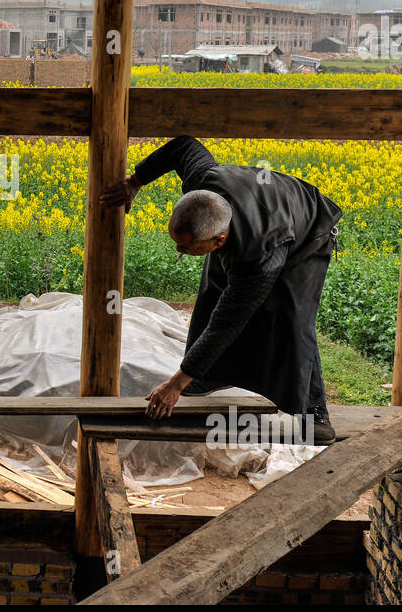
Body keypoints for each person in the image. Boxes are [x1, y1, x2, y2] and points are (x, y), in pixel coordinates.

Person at [101, 135, 342, 443]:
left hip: (305, 237)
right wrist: (136, 180)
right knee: (213, 290)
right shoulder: (203, 181)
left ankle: (315, 414)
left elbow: (225, 325)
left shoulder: (260, 258)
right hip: (258, 214)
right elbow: (184, 145)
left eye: (187, 248)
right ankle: (206, 375)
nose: (179, 253)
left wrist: (175, 384)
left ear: (219, 241)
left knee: (290, 317)